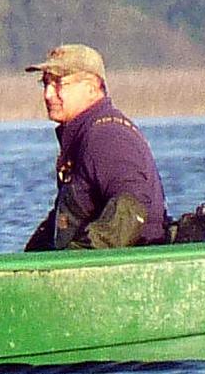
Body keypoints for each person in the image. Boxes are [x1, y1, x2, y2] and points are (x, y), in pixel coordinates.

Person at [21, 44, 168, 251]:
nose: (48, 94)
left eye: (58, 84)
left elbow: (133, 205)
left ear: (91, 88)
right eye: (45, 84)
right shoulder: (82, 136)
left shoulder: (107, 136)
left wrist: (74, 260)